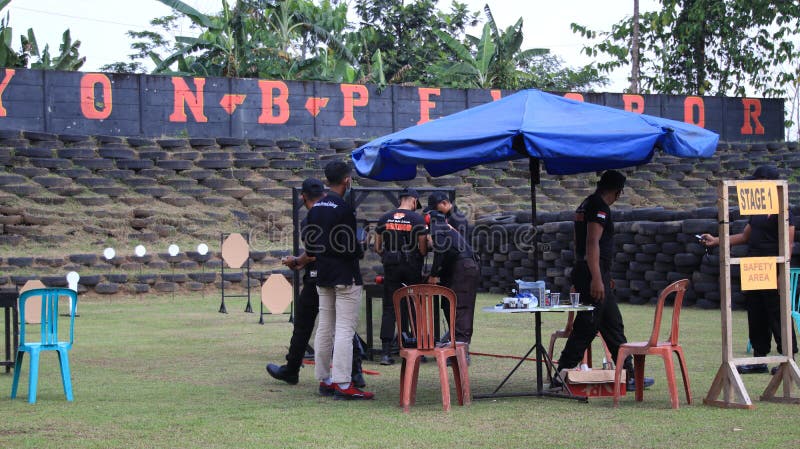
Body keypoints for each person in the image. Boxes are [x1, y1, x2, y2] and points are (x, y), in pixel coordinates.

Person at [555, 170, 654, 391]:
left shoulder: (586, 203)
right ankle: (563, 372)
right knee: (586, 326)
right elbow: (592, 243)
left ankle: (628, 374)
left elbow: (577, 241)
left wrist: (599, 276)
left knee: (612, 324)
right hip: (593, 273)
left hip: (590, 271)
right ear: (619, 192)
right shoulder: (599, 207)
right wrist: (597, 278)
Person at [265, 178, 365, 388]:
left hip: (318, 278)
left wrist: (297, 261)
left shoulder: (311, 216)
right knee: (343, 326)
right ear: (324, 193)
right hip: (338, 276)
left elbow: (313, 252)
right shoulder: (338, 210)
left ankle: (293, 369)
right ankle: (354, 373)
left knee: (306, 326)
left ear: (303, 197)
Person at [701, 165, 798, 374]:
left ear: (767, 182)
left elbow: (788, 245)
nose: (753, 184)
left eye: (757, 180)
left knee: (777, 313)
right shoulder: (758, 209)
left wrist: (782, 274)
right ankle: (759, 359)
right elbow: (745, 236)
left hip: (773, 266)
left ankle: (787, 359)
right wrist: (717, 240)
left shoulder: (784, 209)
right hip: (754, 267)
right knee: (756, 312)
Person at [305, 161, 373, 400]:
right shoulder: (343, 207)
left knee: (325, 326)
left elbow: (310, 245)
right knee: (344, 328)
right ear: (347, 180)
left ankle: (324, 380)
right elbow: (348, 246)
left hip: (323, 274)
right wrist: (360, 246)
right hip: (345, 275)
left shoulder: (315, 208)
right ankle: (344, 384)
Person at [374, 187, 428, 365]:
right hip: (411, 266)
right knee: (414, 305)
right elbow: (422, 248)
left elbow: (377, 247)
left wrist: (388, 256)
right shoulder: (417, 218)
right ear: (413, 200)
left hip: (391, 266)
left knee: (390, 307)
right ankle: (417, 349)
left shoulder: (384, 218)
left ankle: (386, 353)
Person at [426, 204, 480, 355]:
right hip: (464, 267)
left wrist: (433, 274)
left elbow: (440, 252)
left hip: (463, 268)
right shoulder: (448, 229)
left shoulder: (437, 229)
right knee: (453, 305)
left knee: (460, 307)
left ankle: (460, 351)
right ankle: (455, 344)